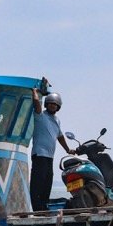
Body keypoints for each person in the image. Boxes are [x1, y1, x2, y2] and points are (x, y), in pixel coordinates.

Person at [29, 77, 74, 212]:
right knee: (38, 182)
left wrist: (68, 150)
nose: (52, 106)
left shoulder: (57, 120)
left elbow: (60, 136)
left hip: (49, 156)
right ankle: (37, 209)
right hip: (39, 154)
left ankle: (43, 207)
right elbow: (36, 102)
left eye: (55, 105)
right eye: (50, 104)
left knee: (48, 182)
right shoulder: (40, 116)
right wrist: (35, 91)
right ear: (46, 105)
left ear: (58, 107)